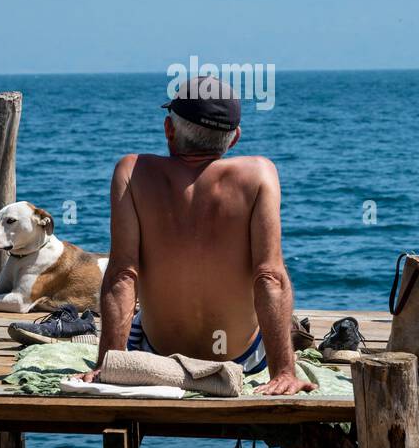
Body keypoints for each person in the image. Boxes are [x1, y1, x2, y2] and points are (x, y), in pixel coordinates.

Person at [75, 75, 316, 396]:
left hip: (156, 354)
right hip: (241, 359)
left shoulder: (132, 172)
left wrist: (109, 365)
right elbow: (269, 277)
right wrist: (284, 372)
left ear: (168, 129)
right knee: (279, 292)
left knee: (136, 316)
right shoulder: (259, 174)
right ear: (234, 139)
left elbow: (122, 276)